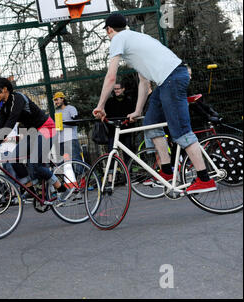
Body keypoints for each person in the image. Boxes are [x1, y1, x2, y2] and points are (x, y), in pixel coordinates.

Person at [92, 13, 217, 194]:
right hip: (165, 81)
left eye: (107, 32)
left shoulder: (118, 38)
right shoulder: (137, 39)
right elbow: (144, 82)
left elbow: (111, 76)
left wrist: (101, 105)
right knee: (150, 124)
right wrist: (137, 110)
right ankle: (166, 171)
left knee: (180, 131)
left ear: (109, 29)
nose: (108, 35)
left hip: (171, 79)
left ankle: (204, 179)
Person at [0, 78, 74, 201]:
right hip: (33, 132)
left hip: (46, 128)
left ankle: (62, 189)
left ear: (4, 90)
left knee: (36, 165)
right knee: (14, 159)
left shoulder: (17, 98)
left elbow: (11, 122)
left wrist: (0, 140)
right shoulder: (4, 107)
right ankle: (31, 190)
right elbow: (0, 126)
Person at [104, 82, 135, 165]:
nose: (116, 91)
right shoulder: (109, 102)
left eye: (118, 89)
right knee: (111, 153)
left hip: (125, 131)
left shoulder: (129, 101)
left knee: (127, 153)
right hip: (113, 132)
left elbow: (133, 116)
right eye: (115, 89)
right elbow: (105, 116)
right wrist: (110, 124)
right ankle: (111, 174)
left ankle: (129, 173)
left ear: (123, 89)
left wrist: (128, 124)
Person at [53, 92, 83, 163]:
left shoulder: (71, 108)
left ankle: (81, 174)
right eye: (54, 100)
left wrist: (63, 122)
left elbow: (75, 121)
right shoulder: (57, 111)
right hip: (61, 140)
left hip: (71, 138)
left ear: (62, 99)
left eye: (57, 100)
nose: (56, 102)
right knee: (66, 163)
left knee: (76, 160)